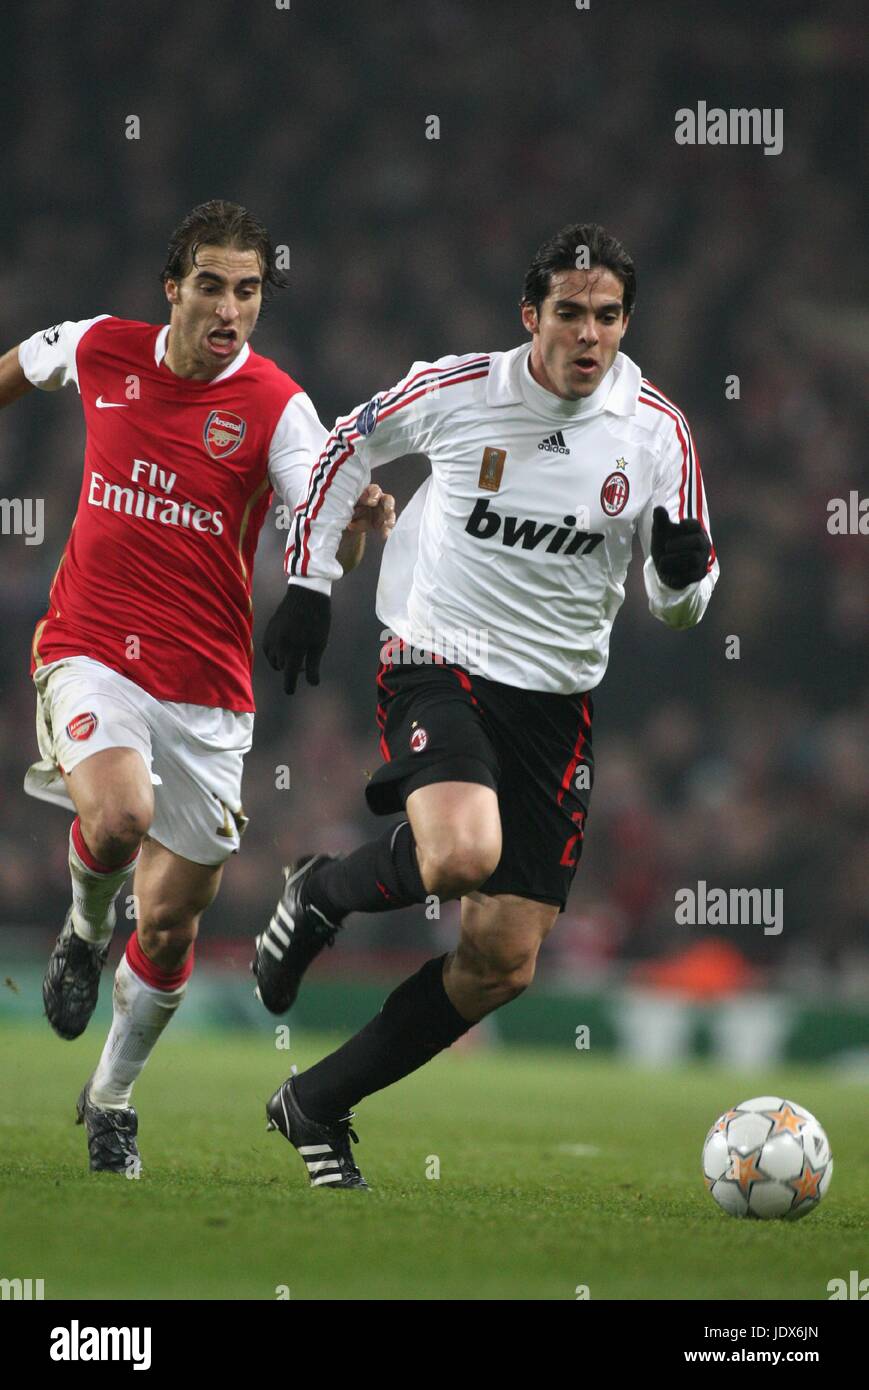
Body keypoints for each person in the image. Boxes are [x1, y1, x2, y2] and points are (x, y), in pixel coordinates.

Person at [255, 222, 719, 1191]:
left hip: (556, 702)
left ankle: (315, 1102)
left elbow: (680, 605)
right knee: (457, 854)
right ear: (529, 316)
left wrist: (682, 581)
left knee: (502, 960)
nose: (586, 334)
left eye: (605, 316)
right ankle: (322, 894)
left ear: (624, 321)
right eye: (567, 313)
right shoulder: (458, 388)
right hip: (438, 657)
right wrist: (307, 581)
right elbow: (346, 445)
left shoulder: (658, 432)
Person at [0, 199, 394, 1175]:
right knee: (119, 813)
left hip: (207, 692)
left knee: (174, 923)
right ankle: (85, 930)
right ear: (171, 288)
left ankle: (112, 1097)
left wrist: (340, 539)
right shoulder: (100, 348)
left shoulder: (275, 404)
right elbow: (17, 368)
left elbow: (321, 508)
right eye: (211, 285)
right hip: (90, 647)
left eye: (248, 289)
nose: (229, 307)